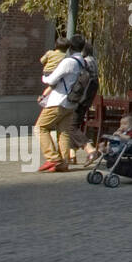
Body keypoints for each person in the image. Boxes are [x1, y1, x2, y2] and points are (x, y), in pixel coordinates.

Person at [35, 34, 87, 172]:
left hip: (58, 101)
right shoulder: (83, 63)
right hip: (71, 103)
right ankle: (64, 163)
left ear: (70, 47)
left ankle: (53, 158)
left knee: (40, 128)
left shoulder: (68, 62)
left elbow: (51, 80)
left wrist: (44, 77)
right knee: (63, 132)